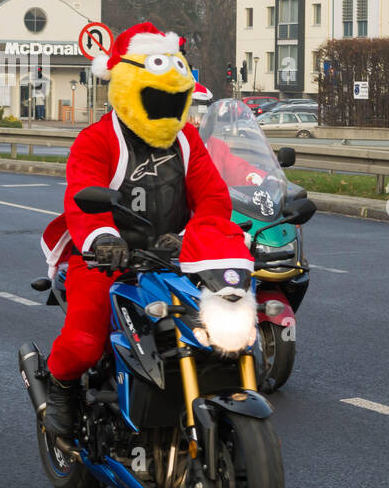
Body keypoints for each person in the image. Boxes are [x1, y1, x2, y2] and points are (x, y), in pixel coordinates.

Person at [38, 22, 253, 438]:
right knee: (84, 340)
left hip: (174, 260)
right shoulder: (97, 140)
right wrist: (105, 240)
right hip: (104, 261)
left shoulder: (187, 139)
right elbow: (83, 196)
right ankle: (61, 389)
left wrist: (195, 236)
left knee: (213, 329)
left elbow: (213, 198)